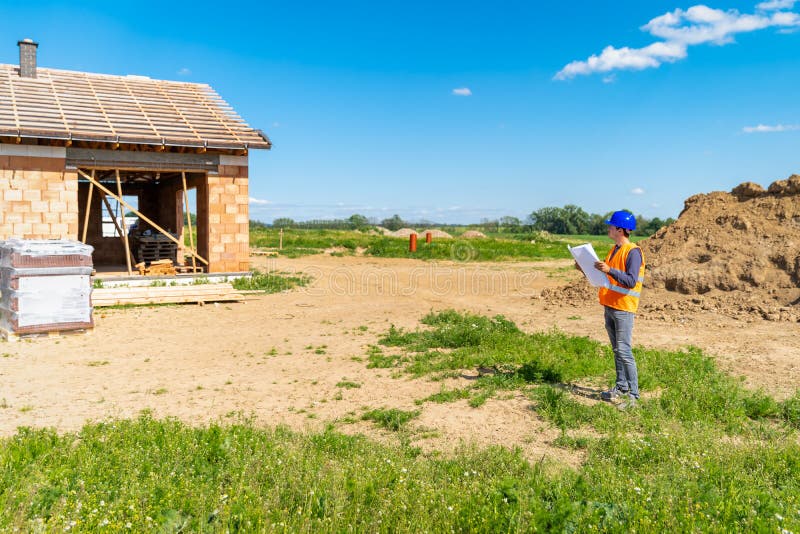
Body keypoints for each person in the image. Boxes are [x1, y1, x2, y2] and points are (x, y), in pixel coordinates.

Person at [593, 210, 645, 409]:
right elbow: (607, 277)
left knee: (624, 350)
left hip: (624, 308)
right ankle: (621, 387)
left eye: (611, 225)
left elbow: (630, 281)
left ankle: (634, 396)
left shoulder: (633, 251)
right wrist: (585, 268)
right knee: (617, 350)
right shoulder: (614, 249)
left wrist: (609, 270)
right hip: (610, 305)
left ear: (620, 229)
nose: (609, 228)